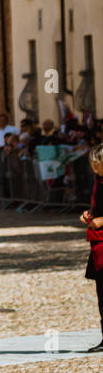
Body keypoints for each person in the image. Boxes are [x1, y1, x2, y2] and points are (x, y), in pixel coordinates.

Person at [81, 144, 103, 353]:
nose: (94, 167)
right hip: (99, 243)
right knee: (102, 292)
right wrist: (89, 214)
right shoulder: (98, 180)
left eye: (97, 164)